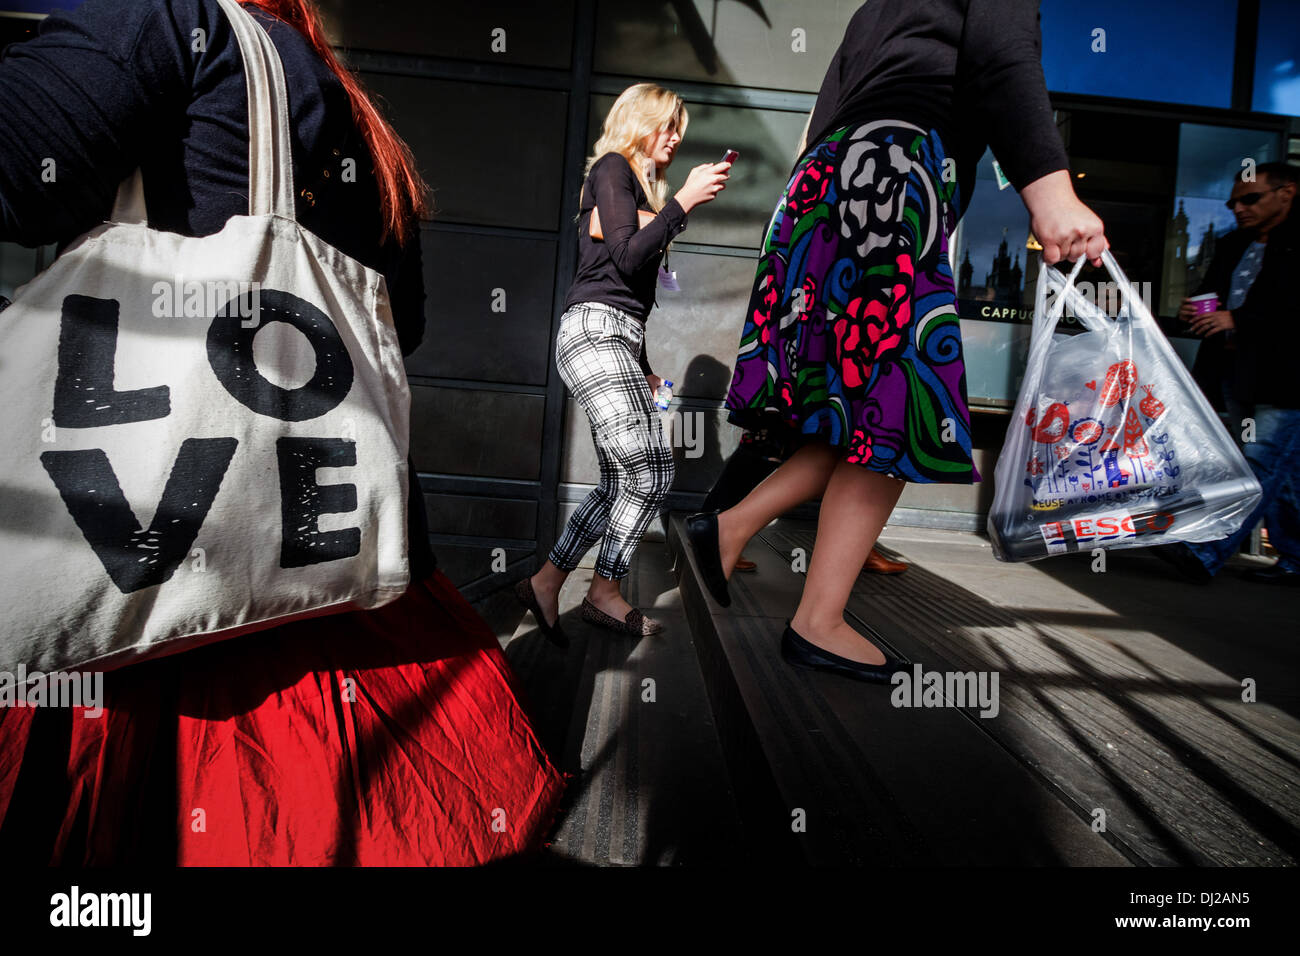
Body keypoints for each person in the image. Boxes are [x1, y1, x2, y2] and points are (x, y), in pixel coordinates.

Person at [0, 0, 563, 864]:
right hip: (339, 602)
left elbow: (23, 172)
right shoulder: (347, 106)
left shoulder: (160, 18)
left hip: (141, 635)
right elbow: (396, 328)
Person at [685, 0, 1107, 682]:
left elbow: (819, 118)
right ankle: (818, 621)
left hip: (824, 183)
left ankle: (730, 527)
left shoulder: (877, 7)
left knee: (856, 410)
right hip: (892, 173)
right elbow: (1005, 61)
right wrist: (1051, 193)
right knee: (904, 407)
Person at [515, 83, 730, 640]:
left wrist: (647, 367)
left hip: (618, 339)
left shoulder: (634, 190)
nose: (676, 137)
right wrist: (683, 202)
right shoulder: (613, 168)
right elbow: (626, 256)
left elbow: (623, 291)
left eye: (680, 127)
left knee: (622, 479)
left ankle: (546, 580)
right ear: (639, 121)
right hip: (591, 333)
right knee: (650, 468)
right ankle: (604, 590)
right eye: (667, 124)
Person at [1154, 161, 1300, 584]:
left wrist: (1239, 320)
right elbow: (1215, 294)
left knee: (1260, 462)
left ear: (1287, 192)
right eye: (1233, 200)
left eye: (1250, 198)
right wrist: (1195, 310)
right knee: (1283, 472)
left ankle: (1206, 551)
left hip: (1287, 379)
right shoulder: (1235, 243)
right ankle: (1296, 559)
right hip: (1240, 374)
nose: (1238, 207)